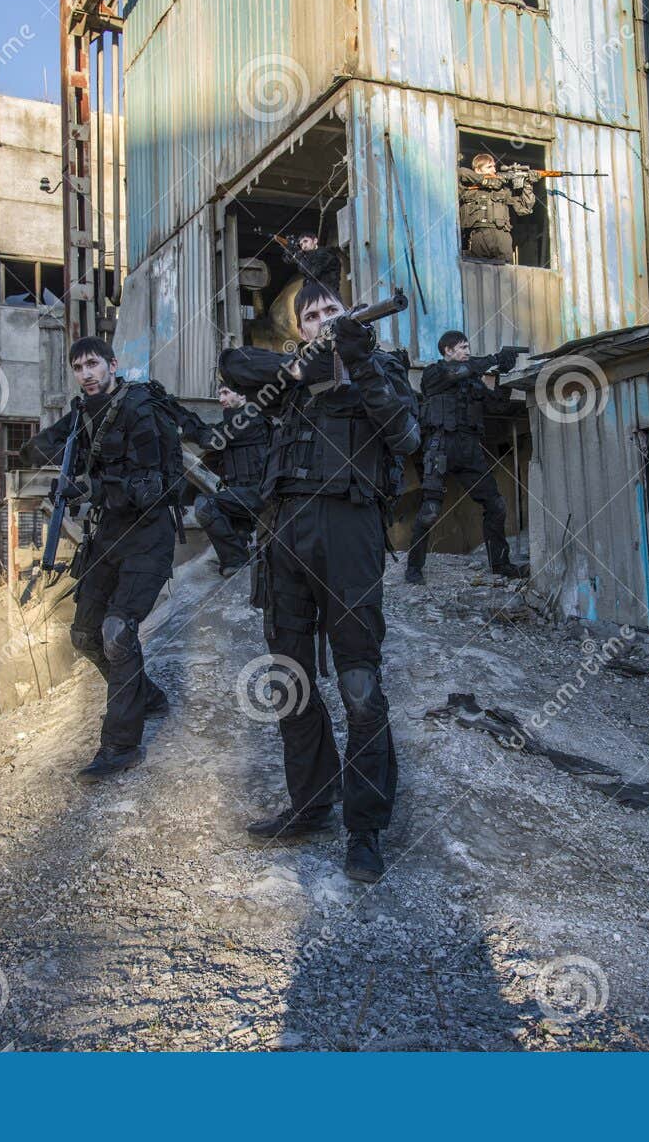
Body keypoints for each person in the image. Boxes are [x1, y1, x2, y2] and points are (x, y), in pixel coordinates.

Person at [224, 282, 419, 883]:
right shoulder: (290, 382)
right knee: (290, 679)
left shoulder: (379, 368)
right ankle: (311, 803)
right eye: (312, 316)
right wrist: (304, 364)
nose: (324, 319)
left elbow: (406, 438)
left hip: (349, 532)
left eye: (332, 310)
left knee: (359, 684)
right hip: (284, 536)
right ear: (300, 330)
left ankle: (364, 829)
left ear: (351, 317)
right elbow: (232, 363)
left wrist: (356, 359)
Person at [19, 337, 185, 778]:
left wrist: (90, 488)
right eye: (78, 367)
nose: (86, 373)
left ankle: (120, 746)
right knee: (85, 636)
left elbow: (152, 489)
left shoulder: (139, 410)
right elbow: (38, 448)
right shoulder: (80, 416)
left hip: (148, 537)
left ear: (113, 365)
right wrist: (62, 472)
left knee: (117, 631)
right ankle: (145, 696)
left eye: (93, 364)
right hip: (106, 537)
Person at [406, 330, 528, 584]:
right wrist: (494, 357)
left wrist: (501, 372)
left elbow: (497, 405)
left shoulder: (472, 381)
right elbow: (457, 372)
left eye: (468, 347)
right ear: (447, 351)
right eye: (462, 347)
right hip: (440, 446)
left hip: (469, 449)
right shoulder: (434, 374)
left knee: (495, 505)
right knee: (429, 510)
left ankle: (501, 564)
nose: (467, 351)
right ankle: (414, 568)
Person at [193, 384, 271, 579]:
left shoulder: (252, 420)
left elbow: (209, 439)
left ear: (243, 395)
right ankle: (239, 557)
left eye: (226, 393)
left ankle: (236, 561)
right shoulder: (233, 425)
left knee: (205, 505)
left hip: (261, 496)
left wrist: (185, 420)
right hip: (242, 500)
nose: (220, 399)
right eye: (219, 394)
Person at [458, 153, 537, 264]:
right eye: (489, 167)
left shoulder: (503, 190)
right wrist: (486, 181)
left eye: (494, 166)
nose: (494, 170)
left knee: (506, 275)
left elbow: (523, 208)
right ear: (478, 170)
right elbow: (459, 172)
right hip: (478, 237)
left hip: (502, 237)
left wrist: (528, 185)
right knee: (477, 272)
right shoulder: (466, 189)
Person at [278, 231, 343, 294]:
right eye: (301, 244)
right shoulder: (309, 257)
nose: (304, 246)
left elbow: (313, 273)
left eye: (306, 241)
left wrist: (301, 259)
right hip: (318, 295)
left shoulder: (325, 253)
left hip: (328, 294)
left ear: (315, 241)